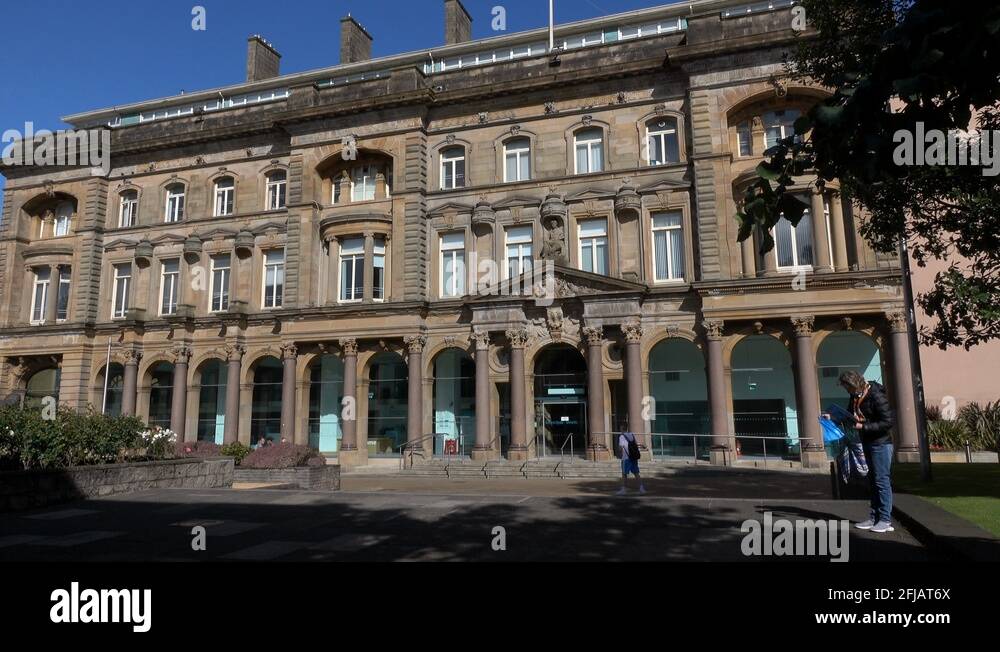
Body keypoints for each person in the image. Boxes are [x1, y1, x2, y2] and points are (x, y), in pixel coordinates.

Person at [834, 370, 896, 533]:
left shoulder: (876, 395)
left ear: (854, 384)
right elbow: (850, 417)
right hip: (868, 441)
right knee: (873, 480)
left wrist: (864, 426)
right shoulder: (855, 396)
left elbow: (888, 422)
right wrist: (833, 417)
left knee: (882, 480)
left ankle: (885, 519)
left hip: (881, 443)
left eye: (847, 387)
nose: (847, 391)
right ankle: (874, 516)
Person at [617, 430, 646, 495]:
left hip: (626, 457)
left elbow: (620, 447)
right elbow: (635, 444)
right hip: (633, 457)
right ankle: (641, 488)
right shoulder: (631, 435)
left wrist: (620, 454)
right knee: (636, 473)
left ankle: (623, 489)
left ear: (621, 429)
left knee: (624, 474)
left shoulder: (621, 436)